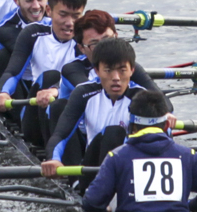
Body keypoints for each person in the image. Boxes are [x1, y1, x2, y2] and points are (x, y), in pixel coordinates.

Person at [82, 90, 197, 212]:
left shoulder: (117, 157)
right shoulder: (187, 155)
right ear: (166, 126)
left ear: (132, 126)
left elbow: (92, 204)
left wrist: (104, 211)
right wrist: (191, 206)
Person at [0, 0, 90, 146]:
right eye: (63, 14)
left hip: (72, 113)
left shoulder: (87, 42)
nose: (70, 23)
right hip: (37, 116)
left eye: (76, 16)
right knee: (50, 77)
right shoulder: (33, 33)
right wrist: (3, 93)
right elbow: (12, 71)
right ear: (49, 10)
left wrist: (57, 91)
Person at [42, 37, 159, 170]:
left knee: (116, 133)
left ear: (132, 70)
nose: (116, 78)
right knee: (112, 132)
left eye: (122, 70)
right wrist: (53, 160)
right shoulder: (83, 93)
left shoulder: (142, 98)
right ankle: (81, 184)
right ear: (97, 71)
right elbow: (60, 134)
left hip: (131, 169)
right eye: (108, 70)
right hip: (94, 168)